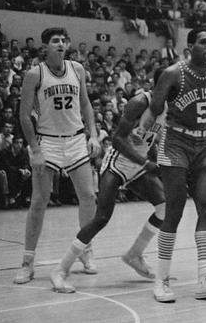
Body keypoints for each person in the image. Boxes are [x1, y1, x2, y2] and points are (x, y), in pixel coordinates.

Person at [49, 68, 168, 294]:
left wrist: (158, 160)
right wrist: (145, 163)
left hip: (138, 163)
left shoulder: (168, 106)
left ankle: (134, 254)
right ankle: (61, 269)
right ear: (162, 83)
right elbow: (117, 140)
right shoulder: (140, 101)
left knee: (164, 207)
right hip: (118, 163)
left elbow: (146, 139)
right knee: (102, 217)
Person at [146, 26, 206, 302]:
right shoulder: (173, 74)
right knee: (174, 210)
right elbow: (154, 110)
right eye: (203, 42)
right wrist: (144, 143)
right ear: (190, 46)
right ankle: (161, 280)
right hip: (175, 144)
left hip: (204, 146)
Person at [14, 27, 100, 284]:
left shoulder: (77, 69)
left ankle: (86, 250)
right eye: (55, 41)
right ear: (45, 47)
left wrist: (93, 135)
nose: (60, 44)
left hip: (75, 139)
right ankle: (27, 262)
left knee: (88, 196)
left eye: (63, 40)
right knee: (40, 200)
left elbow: (85, 104)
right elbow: (23, 115)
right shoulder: (35, 74)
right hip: (48, 141)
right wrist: (35, 149)